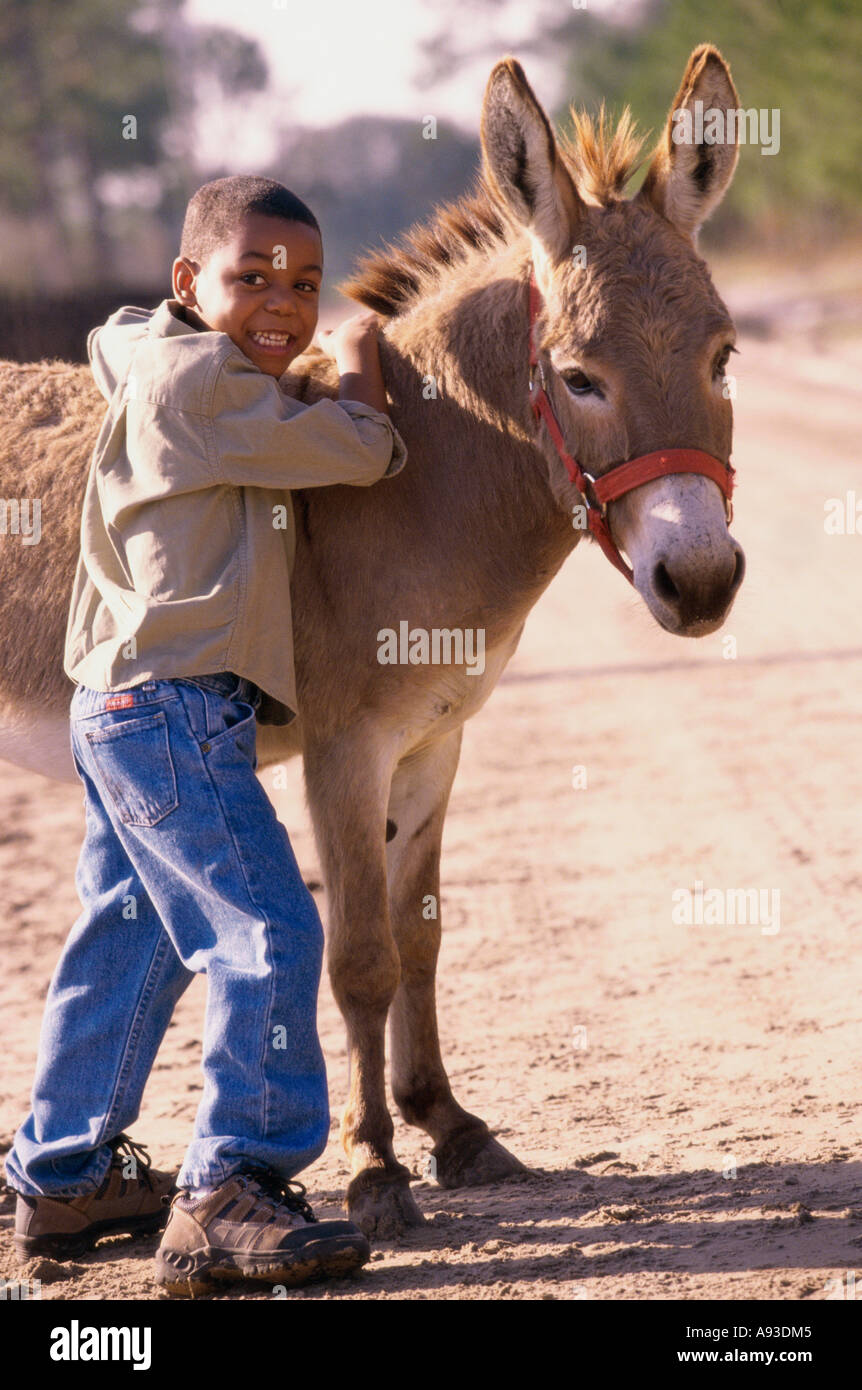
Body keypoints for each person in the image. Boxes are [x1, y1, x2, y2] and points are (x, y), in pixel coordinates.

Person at [5, 174, 407, 1298]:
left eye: (308, 285)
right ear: (190, 283)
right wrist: (367, 376)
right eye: (253, 277)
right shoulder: (204, 388)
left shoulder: (151, 351)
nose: (285, 302)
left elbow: (121, 332)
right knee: (267, 931)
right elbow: (357, 451)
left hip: (131, 706)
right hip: (173, 708)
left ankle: (63, 1169)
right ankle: (234, 1181)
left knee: (128, 937)